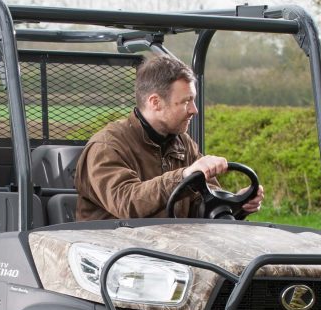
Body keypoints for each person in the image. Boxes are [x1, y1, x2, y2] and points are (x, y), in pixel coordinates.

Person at [74, 54, 263, 221]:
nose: (194, 110)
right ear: (155, 102)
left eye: (193, 100)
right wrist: (182, 176)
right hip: (113, 252)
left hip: (166, 250)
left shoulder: (183, 143)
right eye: (186, 102)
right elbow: (127, 203)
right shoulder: (107, 146)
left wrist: (235, 204)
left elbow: (202, 204)